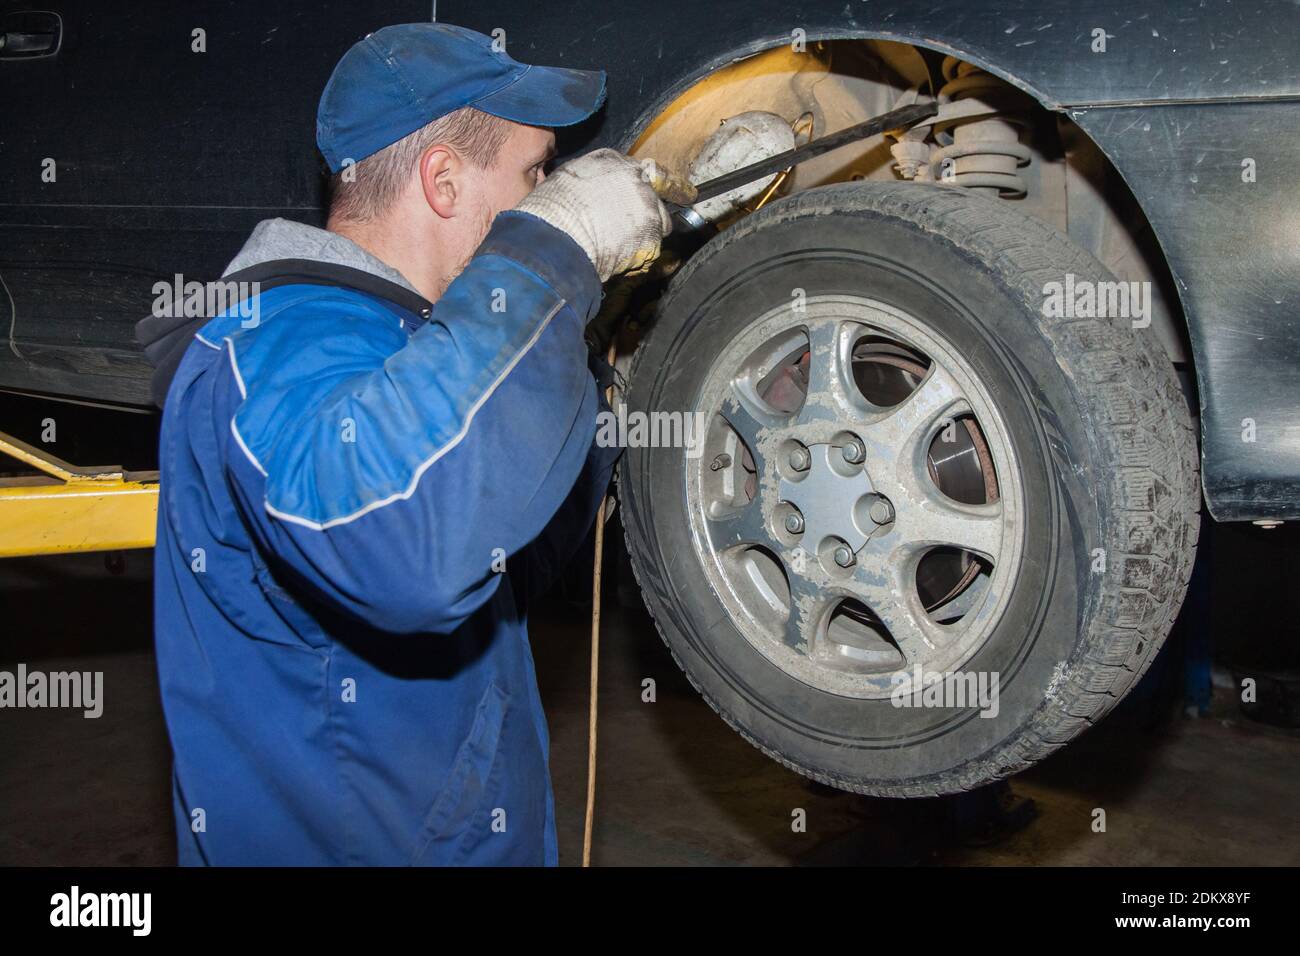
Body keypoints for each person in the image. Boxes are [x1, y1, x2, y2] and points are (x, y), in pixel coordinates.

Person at [137, 21, 670, 865]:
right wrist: (550, 248)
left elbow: (494, 563)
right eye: (535, 176)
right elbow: (405, 550)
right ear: (445, 180)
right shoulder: (275, 341)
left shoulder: (403, 348)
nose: (545, 193)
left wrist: (599, 391)